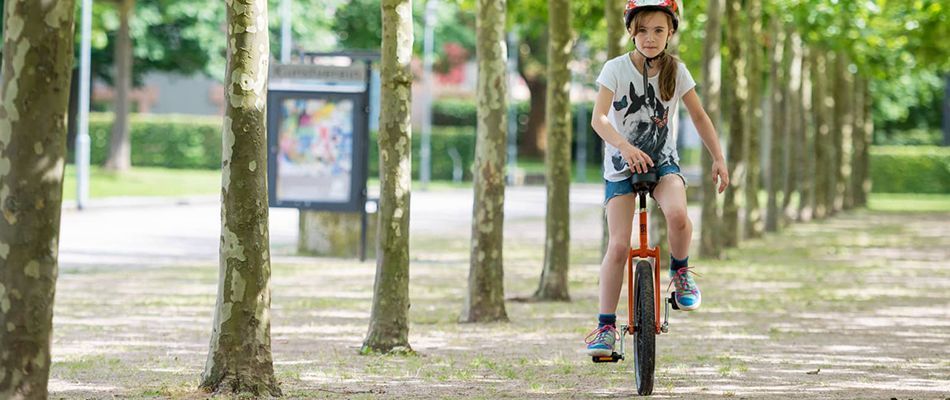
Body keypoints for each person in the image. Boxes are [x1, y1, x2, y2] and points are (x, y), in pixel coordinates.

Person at [585, 0, 730, 357]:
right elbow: (599, 118)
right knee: (619, 245)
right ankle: (605, 327)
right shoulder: (615, 69)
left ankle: (680, 273)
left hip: (663, 162)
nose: (650, 38)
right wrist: (623, 147)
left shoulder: (677, 71)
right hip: (621, 165)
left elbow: (698, 116)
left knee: (679, 216)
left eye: (659, 30)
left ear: (671, 33)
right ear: (631, 31)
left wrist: (719, 157)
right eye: (643, 30)